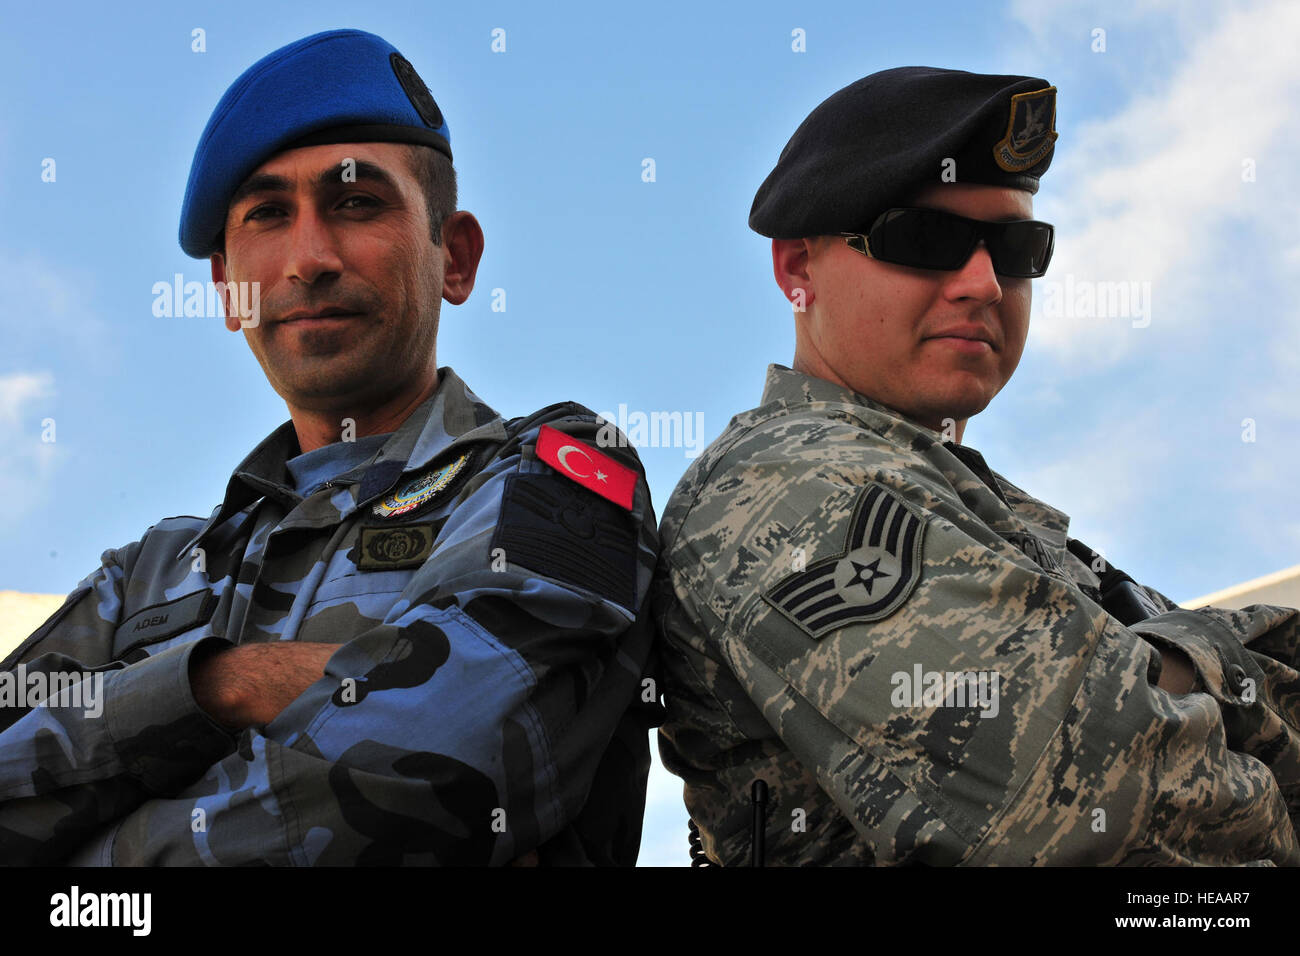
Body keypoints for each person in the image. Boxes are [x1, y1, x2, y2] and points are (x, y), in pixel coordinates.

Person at [0, 29, 660, 866]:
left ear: (453, 258)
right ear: (228, 289)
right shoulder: (147, 576)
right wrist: (217, 687)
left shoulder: (556, 472)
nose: (309, 259)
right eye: (269, 214)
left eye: (356, 204)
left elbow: (435, 763)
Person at [654, 66, 1300, 866]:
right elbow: (1097, 796)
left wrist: (1183, 677)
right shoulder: (779, 484)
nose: (984, 283)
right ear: (798, 270)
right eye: (925, 240)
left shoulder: (979, 502)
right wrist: (1229, 670)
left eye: (1016, 248)